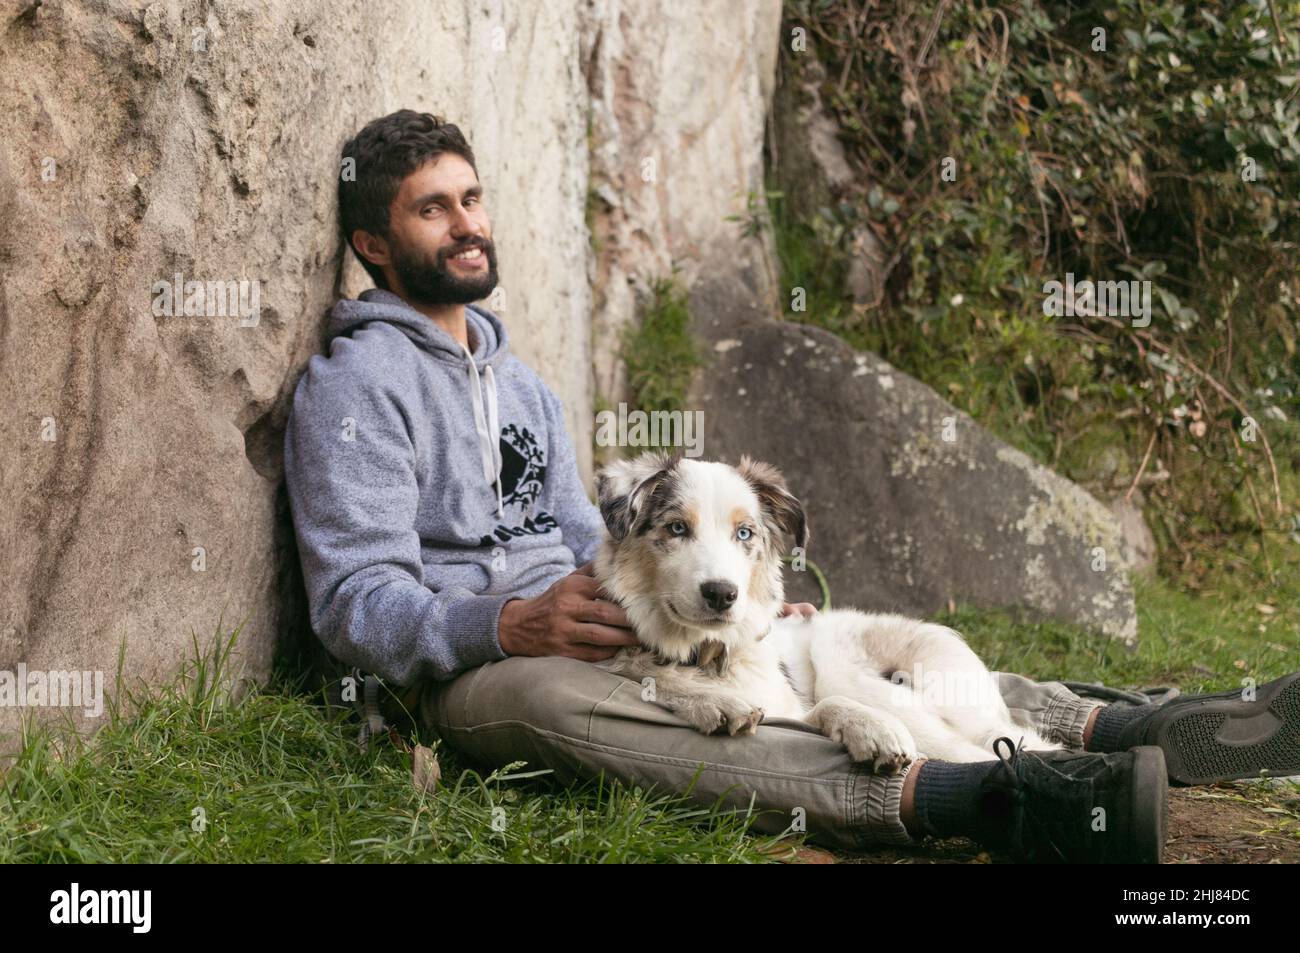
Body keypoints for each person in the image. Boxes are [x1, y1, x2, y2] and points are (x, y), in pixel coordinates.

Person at [283, 109, 1300, 863]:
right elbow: (354, 604)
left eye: (470, 197)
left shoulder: (522, 384)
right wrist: (507, 626)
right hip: (470, 670)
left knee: (791, 646)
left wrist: (712, 602)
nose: (465, 224)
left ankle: (1096, 727)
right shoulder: (354, 390)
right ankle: (962, 797)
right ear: (373, 245)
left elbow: (583, 537)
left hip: (588, 620)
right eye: (431, 209)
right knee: (572, 700)